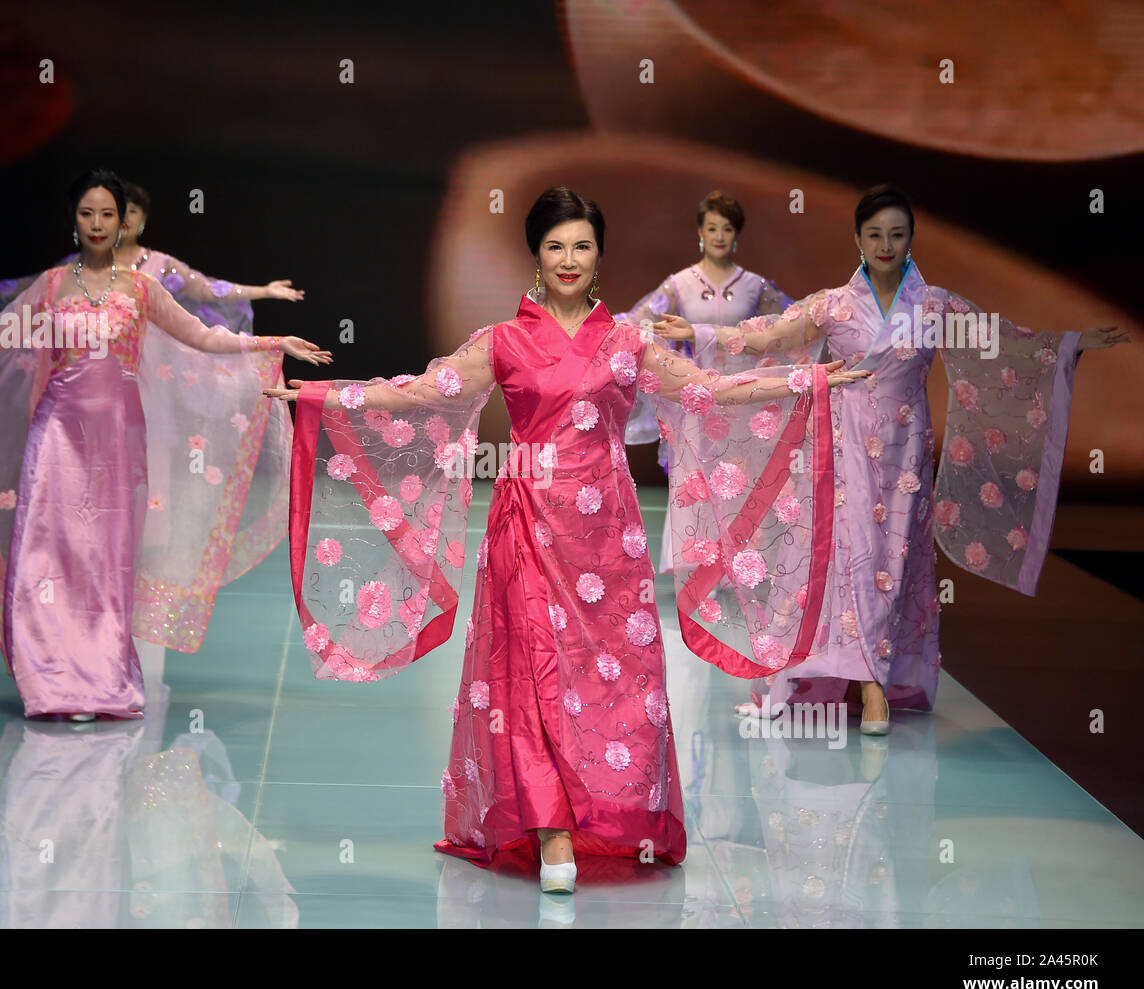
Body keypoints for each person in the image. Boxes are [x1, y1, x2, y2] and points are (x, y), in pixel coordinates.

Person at [268, 186, 866, 893]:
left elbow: (704, 391)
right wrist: (316, 397)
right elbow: (422, 393)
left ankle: (601, 815)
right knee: (530, 676)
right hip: (525, 525)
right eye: (556, 246)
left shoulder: (627, 341)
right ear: (537, 254)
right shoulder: (505, 340)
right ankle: (551, 832)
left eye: (582, 245)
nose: (570, 259)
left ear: (599, 253)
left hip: (608, 537)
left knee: (616, 678)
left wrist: (805, 382)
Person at [653, 184, 1129, 735]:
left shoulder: (933, 306)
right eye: (874, 234)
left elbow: (995, 341)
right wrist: (703, 331)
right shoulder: (835, 304)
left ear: (910, 240)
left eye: (896, 234)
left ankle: (870, 674)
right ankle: (870, 687)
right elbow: (768, 336)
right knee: (850, 554)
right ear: (857, 239)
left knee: (892, 565)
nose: (885, 244)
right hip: (841, 446)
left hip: (905, 458)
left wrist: (1067, 344)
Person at [0, 169, 333, 722]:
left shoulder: (142, 288)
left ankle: (102, 675)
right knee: (48, 554)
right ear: (74, 221)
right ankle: (50, 678)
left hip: (120, 440)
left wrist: (275, 342)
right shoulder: (52, 286)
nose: (97, 224)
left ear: (122, 221)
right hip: (57, 434)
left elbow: (204, 336)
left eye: (107, 214)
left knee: (106, 558)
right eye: (87, 213)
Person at [616, 190, 797, 572]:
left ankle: (741, 567)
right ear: (700, 232)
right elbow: (640, 322)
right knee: (698, 478)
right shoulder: (679, 284)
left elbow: (787, 328)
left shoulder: (755, 286)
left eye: (726, 228)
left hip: (744, 397)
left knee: (740, 479)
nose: (718, 235)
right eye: (711, 227)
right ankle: (698, 566)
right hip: (696, 397)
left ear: (736, 234)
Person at [0, 179, 304, 333]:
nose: (125, 219)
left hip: (147, 364)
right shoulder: (78, 263)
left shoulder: (160, 264)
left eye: (133, 213)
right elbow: (34, 285)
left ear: (142, 221)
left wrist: (265, 290)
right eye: (117, 211)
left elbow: (209, 290)